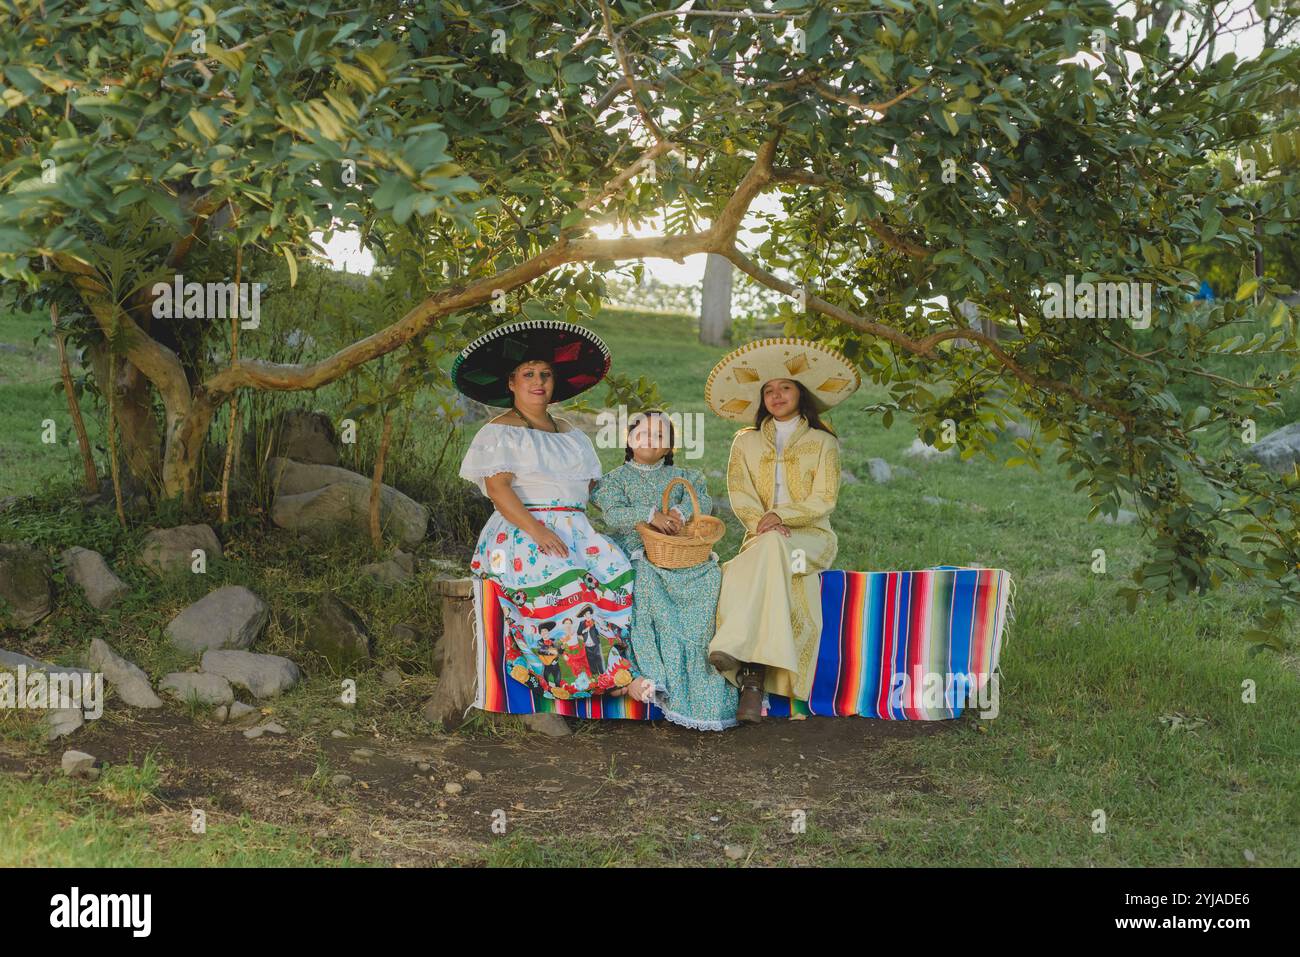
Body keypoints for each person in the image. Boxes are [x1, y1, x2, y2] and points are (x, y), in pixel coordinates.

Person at [454, 319, 655, 703]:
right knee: (569, 584)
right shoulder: (501, 431)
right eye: (527, 374)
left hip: (577, 530)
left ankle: (638, 671)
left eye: (545, 374)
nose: (538, 381)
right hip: (521, 530)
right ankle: (601, 680)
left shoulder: (572, 435)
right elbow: (498, 489)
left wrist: (646, 508)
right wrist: (538, 531)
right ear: (511, 383)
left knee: (625, 573)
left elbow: (595, 491)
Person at [703, 337, 861, 722]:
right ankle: (754, 685)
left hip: (811, 539)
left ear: (800, 393)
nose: (776, 395)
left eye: (784, 387)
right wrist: (762, 523)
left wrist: (782, 517)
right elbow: (739, 492)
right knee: (769, 549)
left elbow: (824, 498)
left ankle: (737, 652)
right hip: (761, 536)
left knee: (768, 551)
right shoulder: (746, 442)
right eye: (769, 390)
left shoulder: (824, 443)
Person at [591, 411, 739, 730]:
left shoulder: (687, 476)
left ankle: (707, 675)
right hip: (637, 552)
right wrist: (650, 515)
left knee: (712, 578)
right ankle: (656, 675)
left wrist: (677, 512)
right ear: (628, 440)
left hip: (681, 554)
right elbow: (613, 514)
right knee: (646, 585)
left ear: (670, 447)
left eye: (660, 436)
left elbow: (702, 501)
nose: (650, 440)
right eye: (642, 433)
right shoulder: (614, 480)